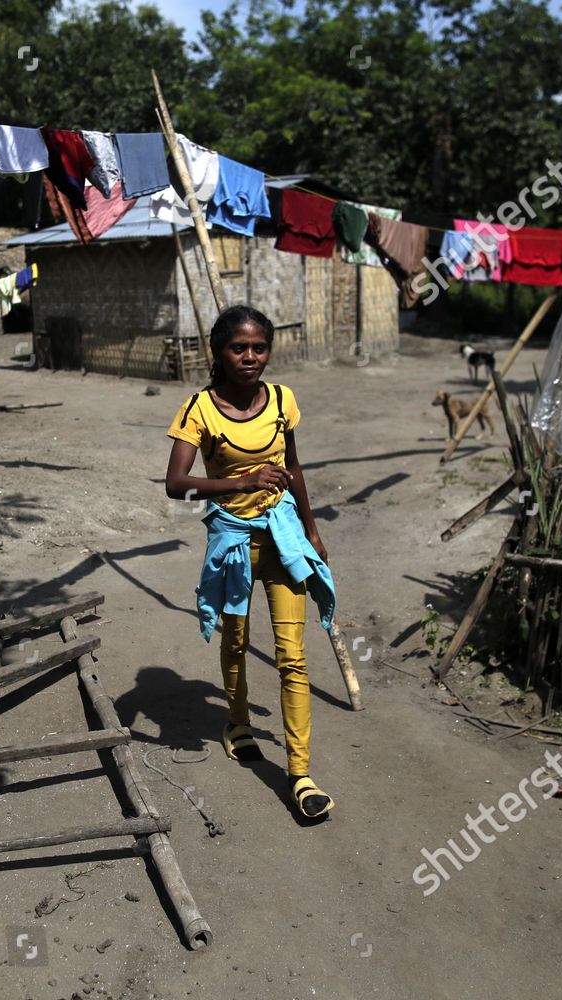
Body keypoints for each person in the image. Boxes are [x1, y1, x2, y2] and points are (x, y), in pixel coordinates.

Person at [164, 304, 337, 819]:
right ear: (219, 351)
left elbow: (294, 466)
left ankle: (301, 775)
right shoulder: (199, 409)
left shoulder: (283, 401)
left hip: (283, 537)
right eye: (239, 348)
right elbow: (176, 484)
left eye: (259, 347)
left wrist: (311, 528)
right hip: (234, 540)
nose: (250, 357)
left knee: (294, 656)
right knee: (235, 639)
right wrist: (240, 482)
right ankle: (236, 722)